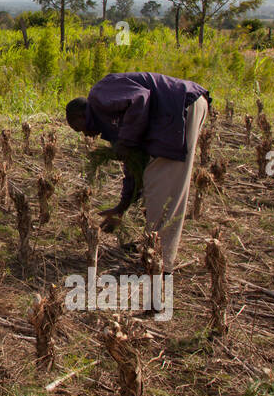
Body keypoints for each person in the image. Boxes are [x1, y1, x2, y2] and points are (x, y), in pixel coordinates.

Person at [65, 71, 211, 278]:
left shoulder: (99, 95)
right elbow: (135, 168)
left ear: (80, 116)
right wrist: (121, 208)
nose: (86, 135)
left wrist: (125, 142)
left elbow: (140, 97)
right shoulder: (113, 125)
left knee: (163, 192)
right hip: (178, 113)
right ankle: (156, 256)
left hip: (180, 107)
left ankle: (160, 265)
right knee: (155, 184)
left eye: (78, 128)